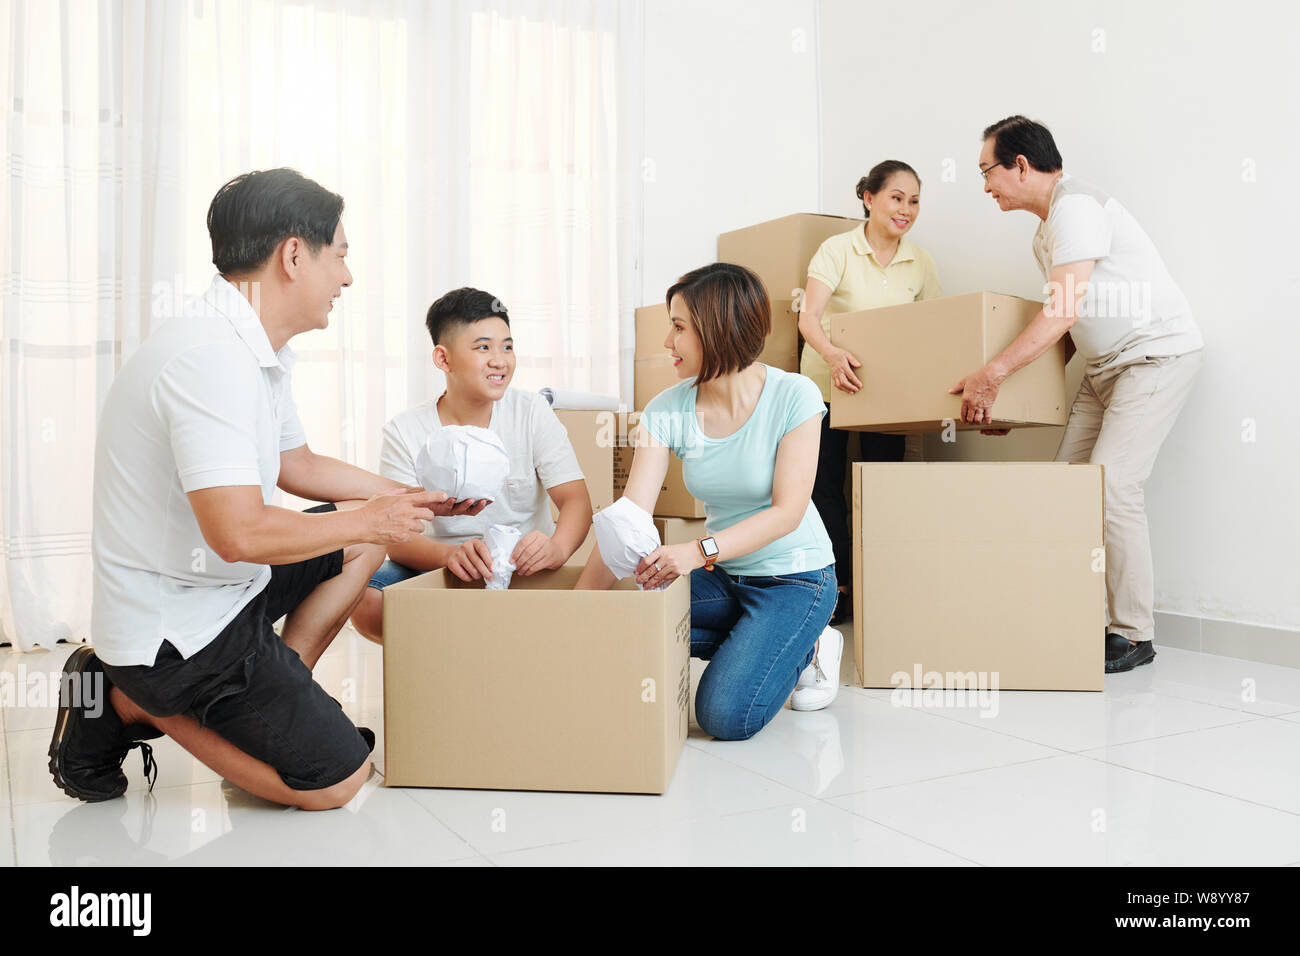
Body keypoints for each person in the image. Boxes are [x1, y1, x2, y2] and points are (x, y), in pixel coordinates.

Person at [54, 168, 481, 809]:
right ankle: (126, 698)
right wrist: (373, 521)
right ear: (292, 254)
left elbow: (298, 464)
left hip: (220, 592)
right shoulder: (210, 359)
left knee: (361, 537)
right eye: (339, 254)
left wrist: (411, 498)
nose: (347, 276)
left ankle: (275, 710)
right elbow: (239, 533)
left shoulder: (255, 348)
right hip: (173, 633)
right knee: (337, 783)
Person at [952, 115, 1204, 674]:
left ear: (1020, 164)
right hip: (1102, 368)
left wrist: (991, 375)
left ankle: (1135, 634)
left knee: (1113, 487)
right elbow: (1069, 325)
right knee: (1066, 490)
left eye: (987, 171)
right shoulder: (1046, 229)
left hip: (1154, 356)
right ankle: (1069, 615)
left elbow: (1062, 310)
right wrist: (1010, 398)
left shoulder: (1077, 210)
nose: (985, 186)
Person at [576, 263, 840, 731]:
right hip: (725, 578)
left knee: (723, 717)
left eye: (678, 327)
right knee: (623, 618)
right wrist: (572, 615)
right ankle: (771, 644)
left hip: (795, 578)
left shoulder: (794, 395)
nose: (666, 342)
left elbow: (787, 513)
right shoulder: (667, 409)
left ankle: (810, 645)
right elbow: (630, 516)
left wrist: (697, 552)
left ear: (718, 329)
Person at [348, 287, 594, 642]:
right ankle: (454, 657)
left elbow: (576, 501)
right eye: (483, 347)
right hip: (442, 569)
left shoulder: (531, 412)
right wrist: (450, 556)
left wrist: (556, 548)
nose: (500, 360)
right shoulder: (405, 430)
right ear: (443, 359)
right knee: (368, 595)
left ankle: (480, 647)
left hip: (521, 569)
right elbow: (398, 538)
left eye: (507, 347)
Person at [796, 161, 942, 623]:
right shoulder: (836, 250)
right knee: (825, 486)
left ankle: (876, 580)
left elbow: (934, 329)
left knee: (880, 483)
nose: (906, 209)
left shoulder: (919, 262)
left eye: (914, 200)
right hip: (826, 384)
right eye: (896, 197)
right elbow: (808, 317)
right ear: (869, 197)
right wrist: (834, 356)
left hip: (888, 393)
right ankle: (837, 586)